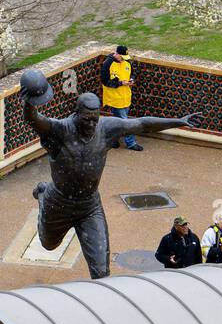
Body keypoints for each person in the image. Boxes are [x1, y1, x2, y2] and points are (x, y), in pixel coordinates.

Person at [22, 68, 202, 280]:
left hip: (89, 206)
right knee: (48, 244)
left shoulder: (106, 128)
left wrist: (179, 121)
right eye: (86, 119)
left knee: (101, 273)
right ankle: (43, 193)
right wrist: (29, 99)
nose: (91, 124)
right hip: (59, 202)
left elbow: (142, 124)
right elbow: (34, 119)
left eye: (94, 119)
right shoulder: (60, 131)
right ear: (75, 114)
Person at [101, 44, 141, 151]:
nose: (124, 59)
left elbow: (132, 73)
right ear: (117, 54)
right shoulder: (108, 64)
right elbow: (104, 81)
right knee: (125, 122)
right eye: (122, 57)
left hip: (126, 97)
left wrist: (132, 80)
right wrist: (120, 83)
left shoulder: (126, 62)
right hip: (115, 99)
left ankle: (112, 140)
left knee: (118, 121)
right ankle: (131, 143)